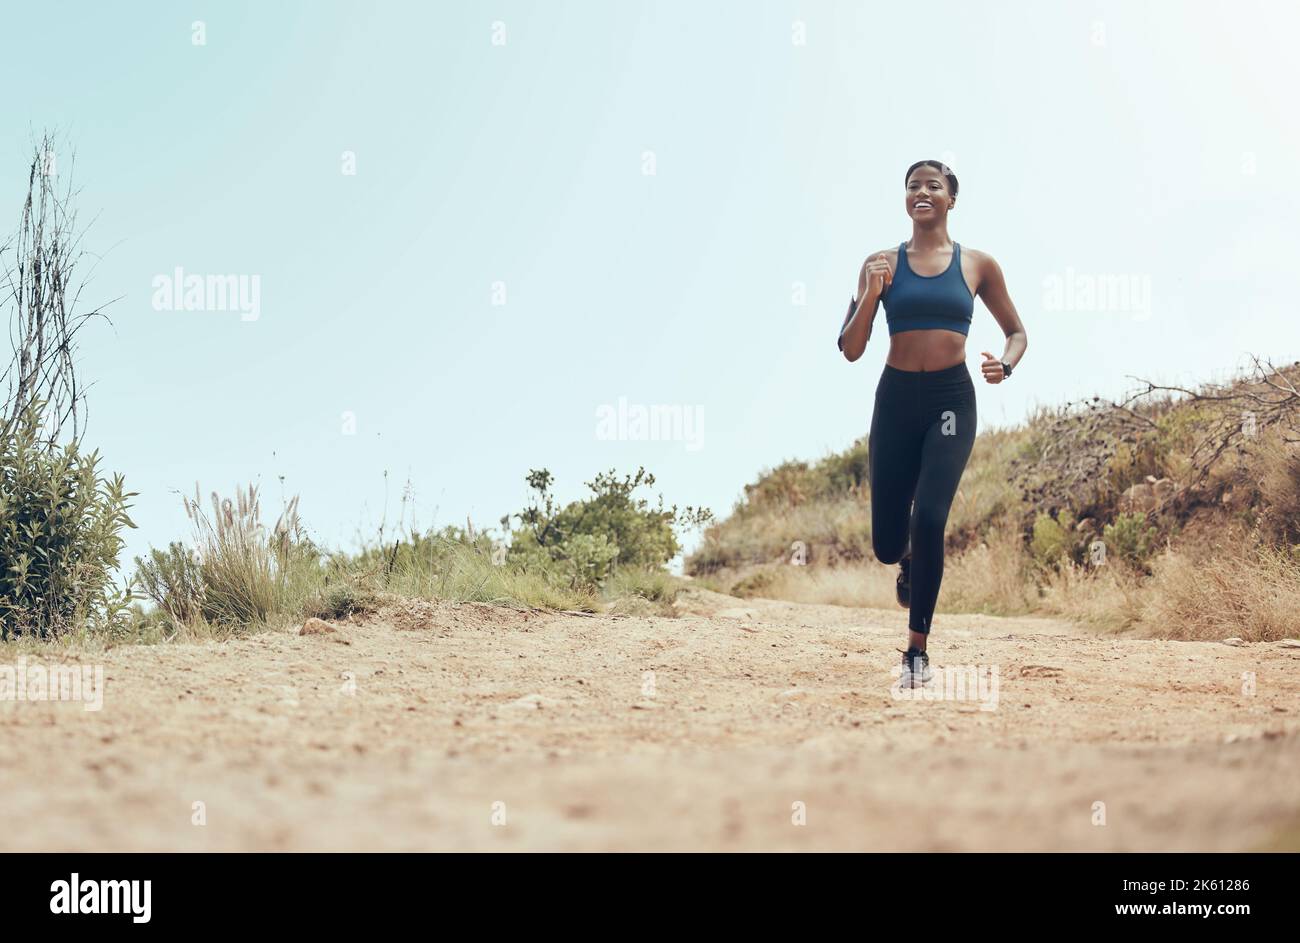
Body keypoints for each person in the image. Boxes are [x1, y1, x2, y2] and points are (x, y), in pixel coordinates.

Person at [837, 160, 1027, 687]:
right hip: (895, 401)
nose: (922, 192)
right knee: (885, 544)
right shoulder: (879, 263)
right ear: (906, 199)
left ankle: (916, 652)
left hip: (950, 401)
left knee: (930, 518)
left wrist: (1005, 365)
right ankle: (906, 559)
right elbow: (851, 349)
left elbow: (1017, 332)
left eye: (933, 186)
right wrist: (872, 294)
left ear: (950, 200)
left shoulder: (978, 265)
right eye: (913, 186)